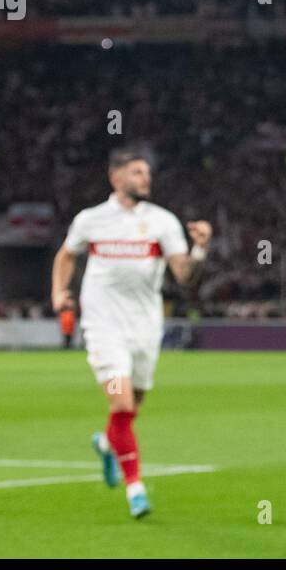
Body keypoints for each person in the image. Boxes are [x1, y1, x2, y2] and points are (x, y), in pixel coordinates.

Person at [51, 148, 212, 519]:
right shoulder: (91, 219)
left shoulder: (163, 221)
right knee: (120, 402)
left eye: (147, 173)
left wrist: (200, 249)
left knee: (132, 407)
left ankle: (109, 445)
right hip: (102, 325)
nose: (145, 179)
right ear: (116, 178)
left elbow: (184, 276)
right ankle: (135, 488)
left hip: (145, 327)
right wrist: (58, 291)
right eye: (137, 172)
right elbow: (66, 255)